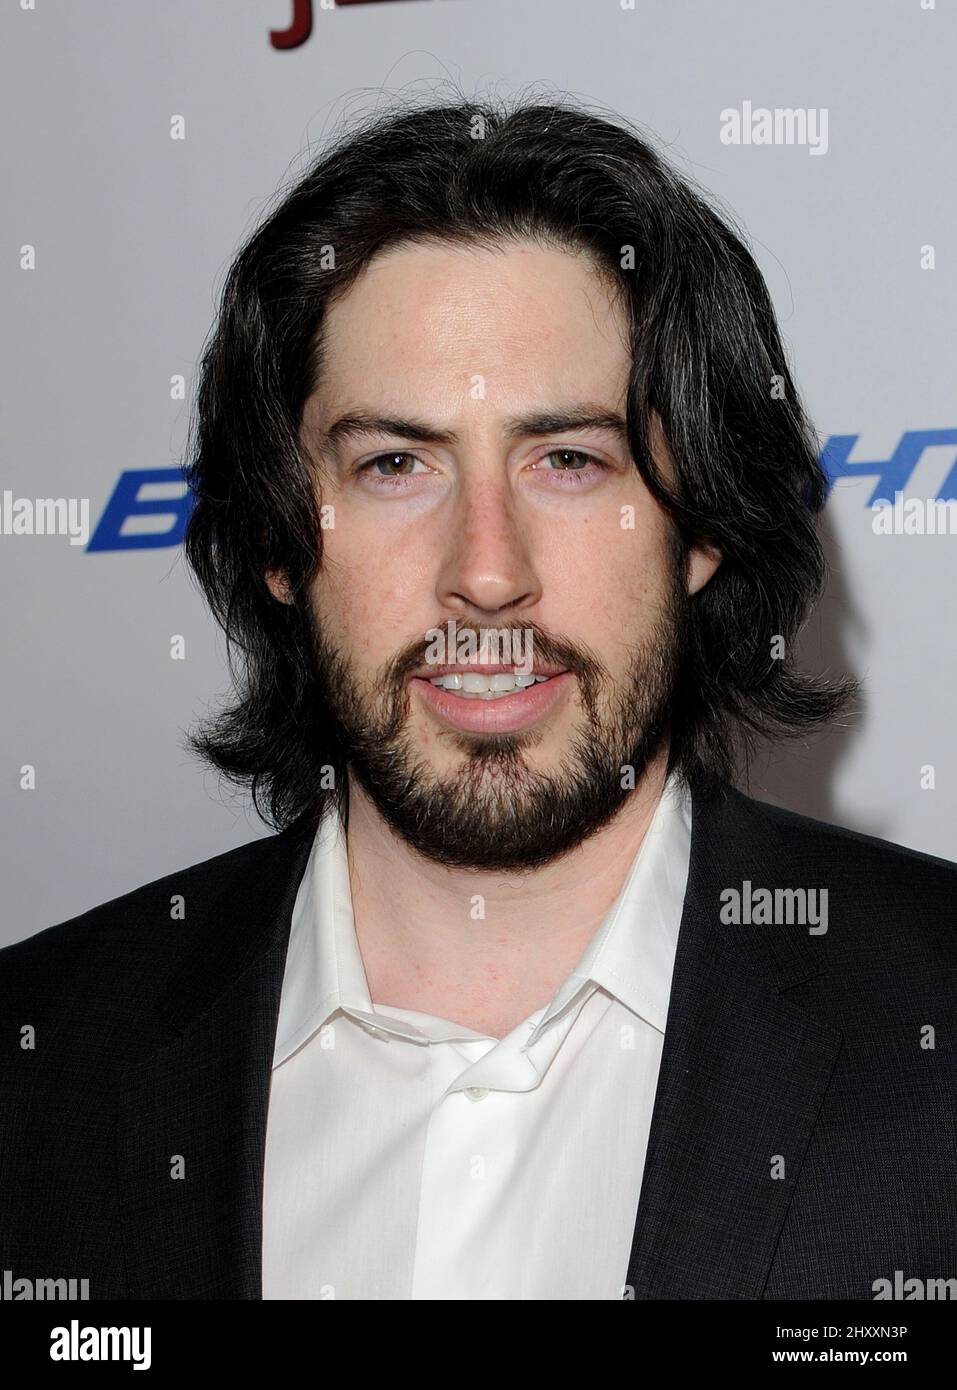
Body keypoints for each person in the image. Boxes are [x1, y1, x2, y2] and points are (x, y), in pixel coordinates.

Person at [2, 95, 955, 1302]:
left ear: (701, 522)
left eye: (569, 460)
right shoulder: (35, 1068)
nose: (486, 570)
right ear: (282, 541)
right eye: (396, 464)